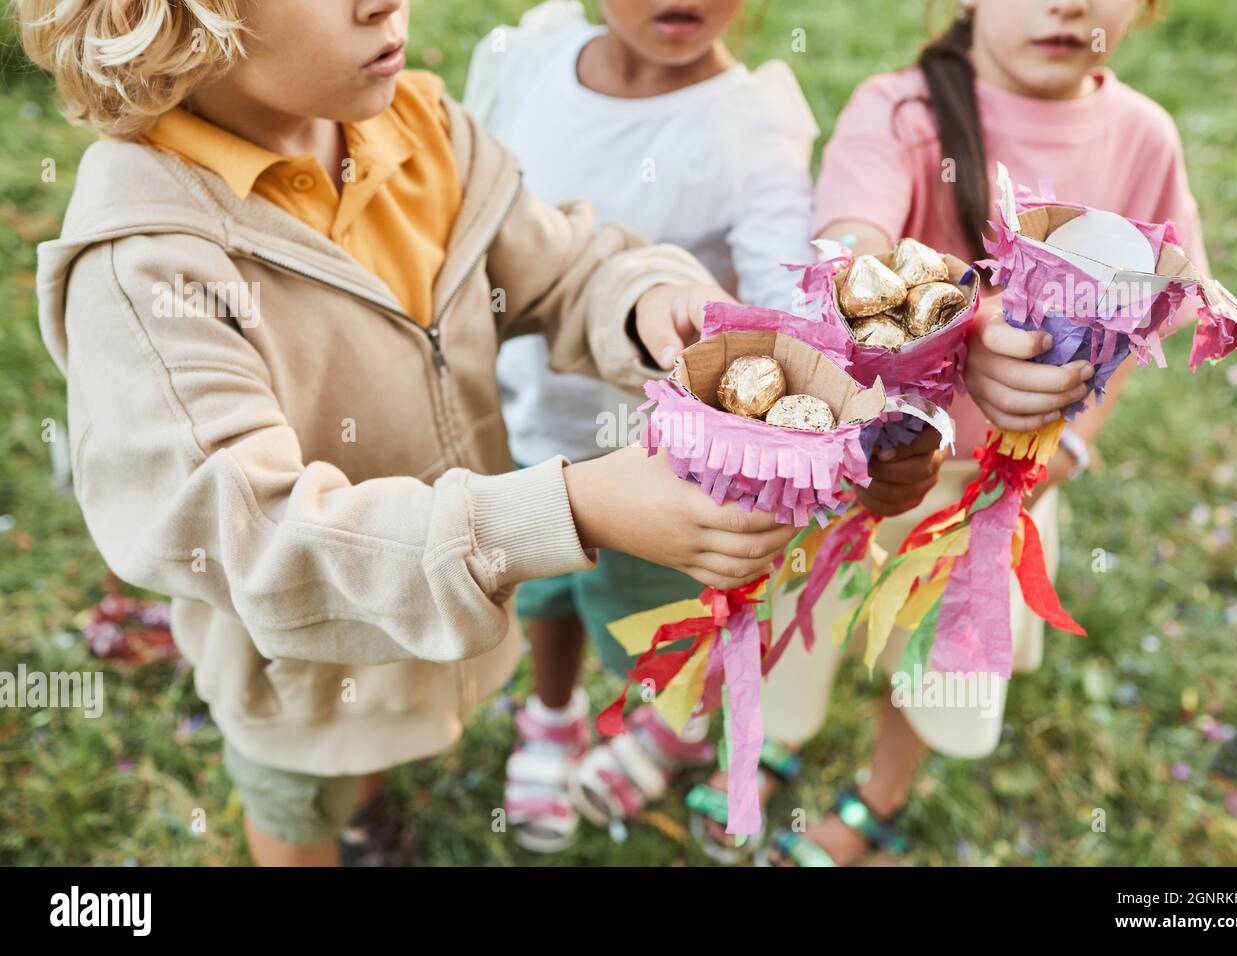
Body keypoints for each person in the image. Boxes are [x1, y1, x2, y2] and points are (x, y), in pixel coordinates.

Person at [18, 0, 795, 866]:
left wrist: (646, 300)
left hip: (441, 619)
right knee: (303, 804)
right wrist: (573, 510)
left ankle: (374, 805)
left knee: (384, 746)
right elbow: (262, 539)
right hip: (301, 679)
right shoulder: (148, 268)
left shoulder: (416, 129)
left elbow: (560, 267)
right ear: (180, 17)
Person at [761, 0, 1210, 865]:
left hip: (993, 490)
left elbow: (1151, 308)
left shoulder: (1144, 138)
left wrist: (1072, 445)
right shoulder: (902, 115)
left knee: (928, 654)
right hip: (872, 463)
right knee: (805, 625)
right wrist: (951, 321)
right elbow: (853, 240)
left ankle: (878, 793)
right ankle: (784, 740)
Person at [463, 0, 818, 853]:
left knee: (665, 621)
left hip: (669, 471)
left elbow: (783, 294)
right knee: (541, 584)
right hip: (527, 417)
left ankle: (674, 725)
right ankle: (553, 713)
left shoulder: (752, 123)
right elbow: (468, 209)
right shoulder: (527, 56)